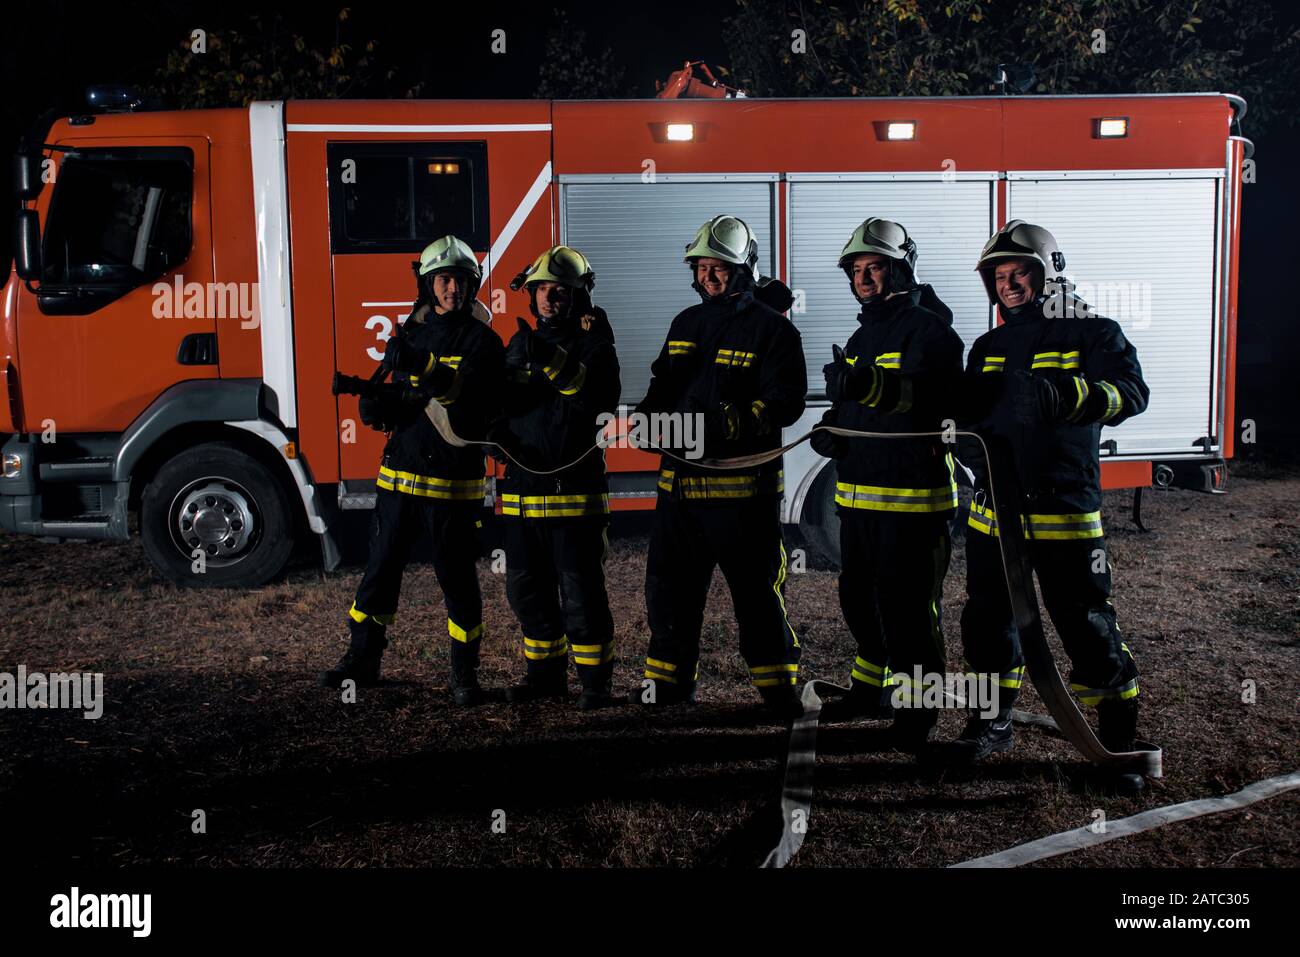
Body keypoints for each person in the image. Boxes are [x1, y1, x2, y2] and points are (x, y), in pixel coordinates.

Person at [942, 220, 1150, 769]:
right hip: (994, 515)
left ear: (1048, 274)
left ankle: (1115, 746)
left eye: (1020, 274)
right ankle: (991, 725)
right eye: (1000, 276)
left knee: (1086, 623)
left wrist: (1067, 396)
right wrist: (966, 441)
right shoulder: (989, 346)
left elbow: (1131, 394)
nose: (1009, 285)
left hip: (1064, 510)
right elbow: (969, 421)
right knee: (987, 623)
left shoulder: (1095, 334)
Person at [632, 214, 807, 720]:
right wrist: (645, 422)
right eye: (703, 268)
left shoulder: (773, 330)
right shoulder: (686, 323)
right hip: (679, 494)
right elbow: (661, 386)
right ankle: (668, 685)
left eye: (720, 270)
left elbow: (785, 403)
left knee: (756, 599)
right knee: (668, 596)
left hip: (742, 498)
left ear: (744, 270)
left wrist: (721, 423)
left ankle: (778, 691)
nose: (709, 278)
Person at [319, 235, 504, 706]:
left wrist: (424, 369)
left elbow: (475, 404)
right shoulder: (410, 334)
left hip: (452, 489)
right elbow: (397, 397)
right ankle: (362, 660)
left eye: (460, 281)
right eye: (443, 280)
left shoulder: (483, 342)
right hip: (398, 481)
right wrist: (373, 403)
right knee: (378, 576)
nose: (452, 290)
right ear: (428, 284)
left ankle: (465, 676)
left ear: (471, 286)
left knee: (458, 583)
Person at [812, 218, 965, 753]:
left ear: (899, 268)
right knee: (860, 599)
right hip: (859, 498)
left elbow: (933, 405)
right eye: (857, 270)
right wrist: (833, 428)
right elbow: (855, 404)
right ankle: (872, 689)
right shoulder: (862, 334)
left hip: (912, 501)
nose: (865, 278)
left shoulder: (933, 333)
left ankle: (917, 713)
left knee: (909, 611)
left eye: (874, 267)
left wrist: (867, 385)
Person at [493, 246, 623, 710]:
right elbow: (504, 407)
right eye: (542, 291)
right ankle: (545, 679)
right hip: (523, 497)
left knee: (581, 595)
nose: (550, 300)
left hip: (575, 498)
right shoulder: (520, 342)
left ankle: (595, 686)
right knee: (526, 592)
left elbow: (598, 400)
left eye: (561, 292)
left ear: (579, 297)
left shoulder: (595, 345)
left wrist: (548, 359)